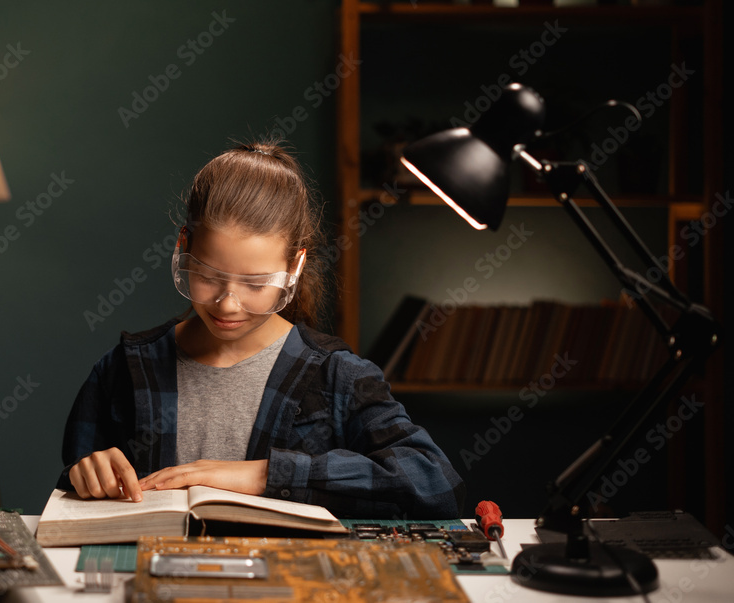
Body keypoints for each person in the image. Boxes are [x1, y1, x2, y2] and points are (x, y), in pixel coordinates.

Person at [57, 139, 465, 519]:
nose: (228, 304)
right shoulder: (124, 369)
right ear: (184, 247)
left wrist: (266, 475)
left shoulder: (337, 375)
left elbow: (433, 482)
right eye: (207, 275)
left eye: (256, 284)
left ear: (295, 267)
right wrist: (86, 475)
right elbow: (72, 500)